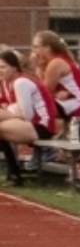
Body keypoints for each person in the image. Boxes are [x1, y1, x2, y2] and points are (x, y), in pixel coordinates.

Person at [1, 47, 56, 184]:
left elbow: (26, 114)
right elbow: (12, 108)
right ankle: (14, 173)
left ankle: (14, 173)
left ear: (14, 68)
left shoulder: (21, 82)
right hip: (28, 124)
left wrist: (9, 111)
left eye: (3, 67)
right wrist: (12, 111)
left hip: (42, 126)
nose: (0, 71)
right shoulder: (6, 83)